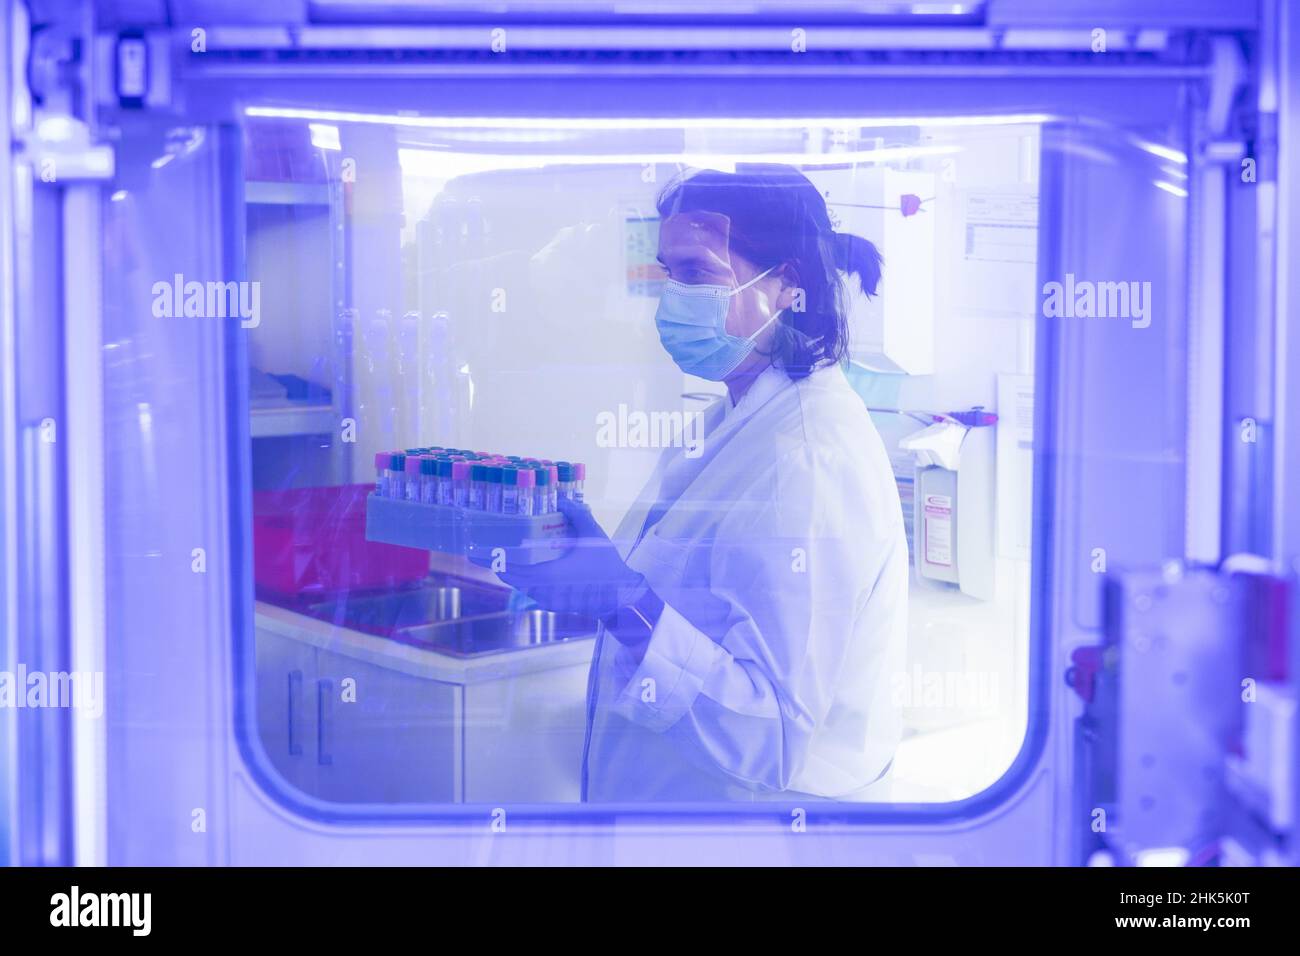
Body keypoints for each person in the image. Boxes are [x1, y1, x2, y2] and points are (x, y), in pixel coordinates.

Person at [498, 164, 908, 802]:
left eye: (696, 274)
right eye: (669, 273)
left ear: (784, 286)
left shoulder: (806, 456)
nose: (673, 299)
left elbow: (770, 737)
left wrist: (620, 600)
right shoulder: (737, 420)